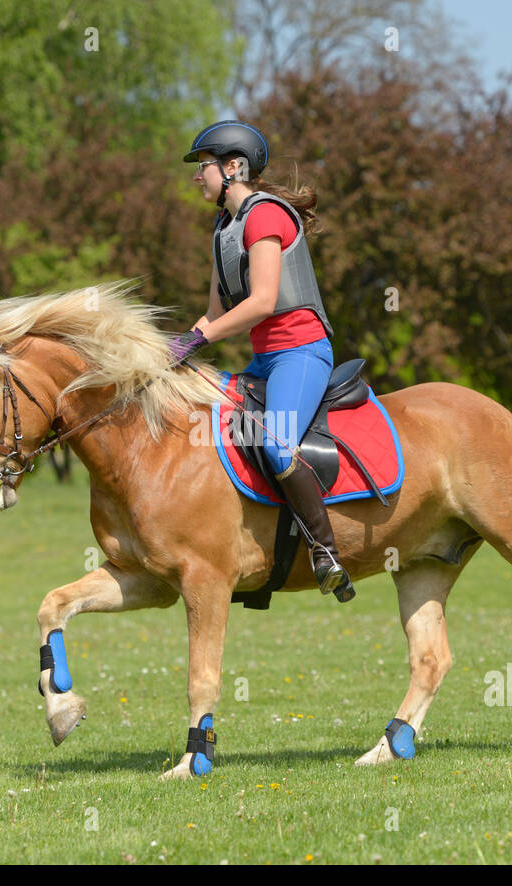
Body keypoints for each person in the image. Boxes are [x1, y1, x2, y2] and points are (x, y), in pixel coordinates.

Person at [167, 120, 353, 602]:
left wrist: (199, 338)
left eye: (202, 166)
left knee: (275, 445)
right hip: (265, 360)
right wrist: (175, 350)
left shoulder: (265, 215)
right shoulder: (223, 228)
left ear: (234, 167)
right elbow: (214, 312)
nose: (196, 177)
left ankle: (325, 552)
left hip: (302, 352)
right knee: (216, 437)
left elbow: (264, 301)